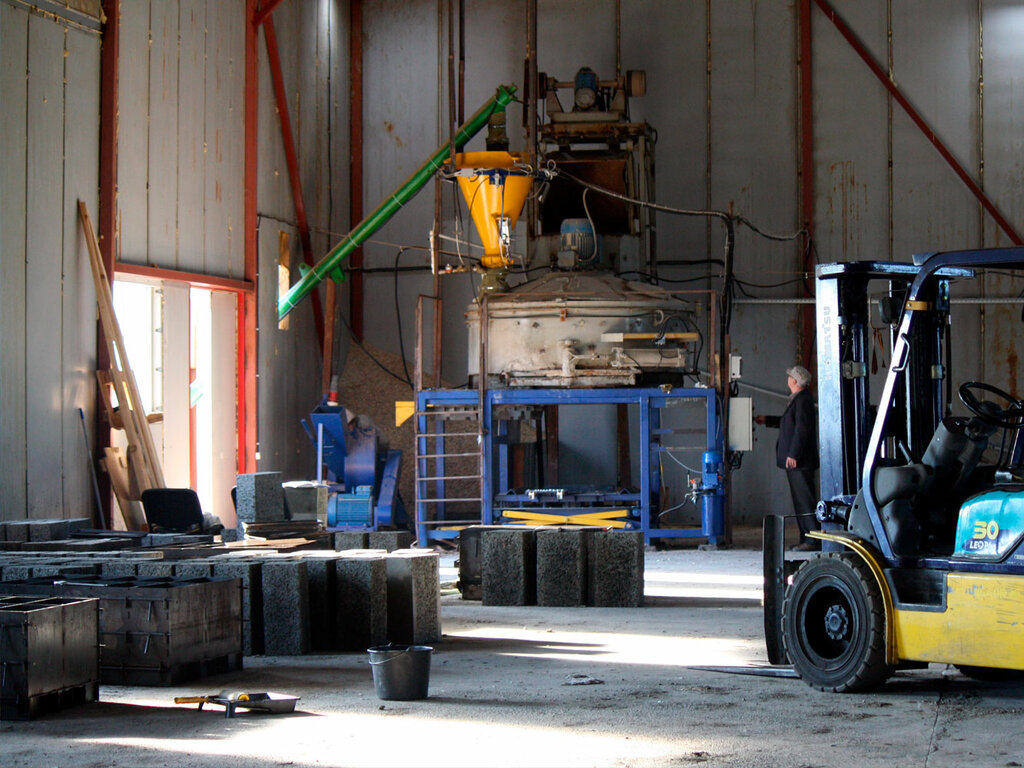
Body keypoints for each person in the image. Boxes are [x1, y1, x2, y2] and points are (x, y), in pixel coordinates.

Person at [754, 365, 820, 551]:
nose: (788, 379)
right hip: (797, 460)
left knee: (805, 500)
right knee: (800, 501)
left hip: (800, 460)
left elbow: (802, 429)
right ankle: (805, 538)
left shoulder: (803, 400)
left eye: (790, 376)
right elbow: (789, 424)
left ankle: (812, 540)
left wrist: (794, 454)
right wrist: (767, 420)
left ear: (795, 381)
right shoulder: (798, 399)